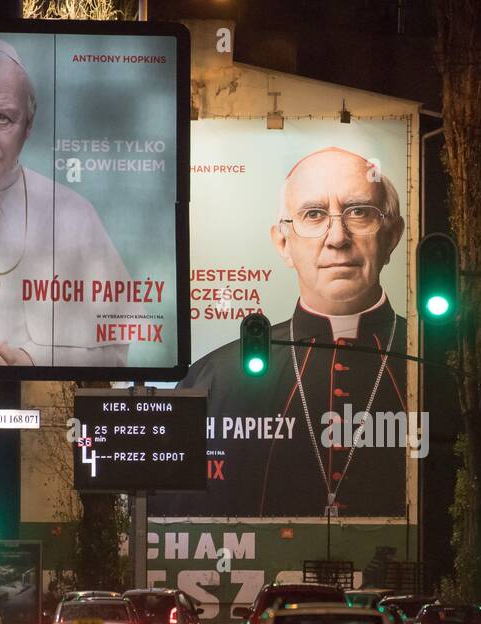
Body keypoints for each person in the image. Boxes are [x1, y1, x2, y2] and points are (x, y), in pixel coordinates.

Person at [163, 147, 410, 517]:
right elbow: (170, 513)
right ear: (283, 243)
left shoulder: (438, 365)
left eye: (359, 212)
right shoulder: (213, 378)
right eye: (313, 215)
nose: (337, 237)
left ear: (392, 236)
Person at [0, 35, 131, 367]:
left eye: (3, 118)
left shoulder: (71, 214)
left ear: (28, 126)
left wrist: (33, 360)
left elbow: (117, 345)